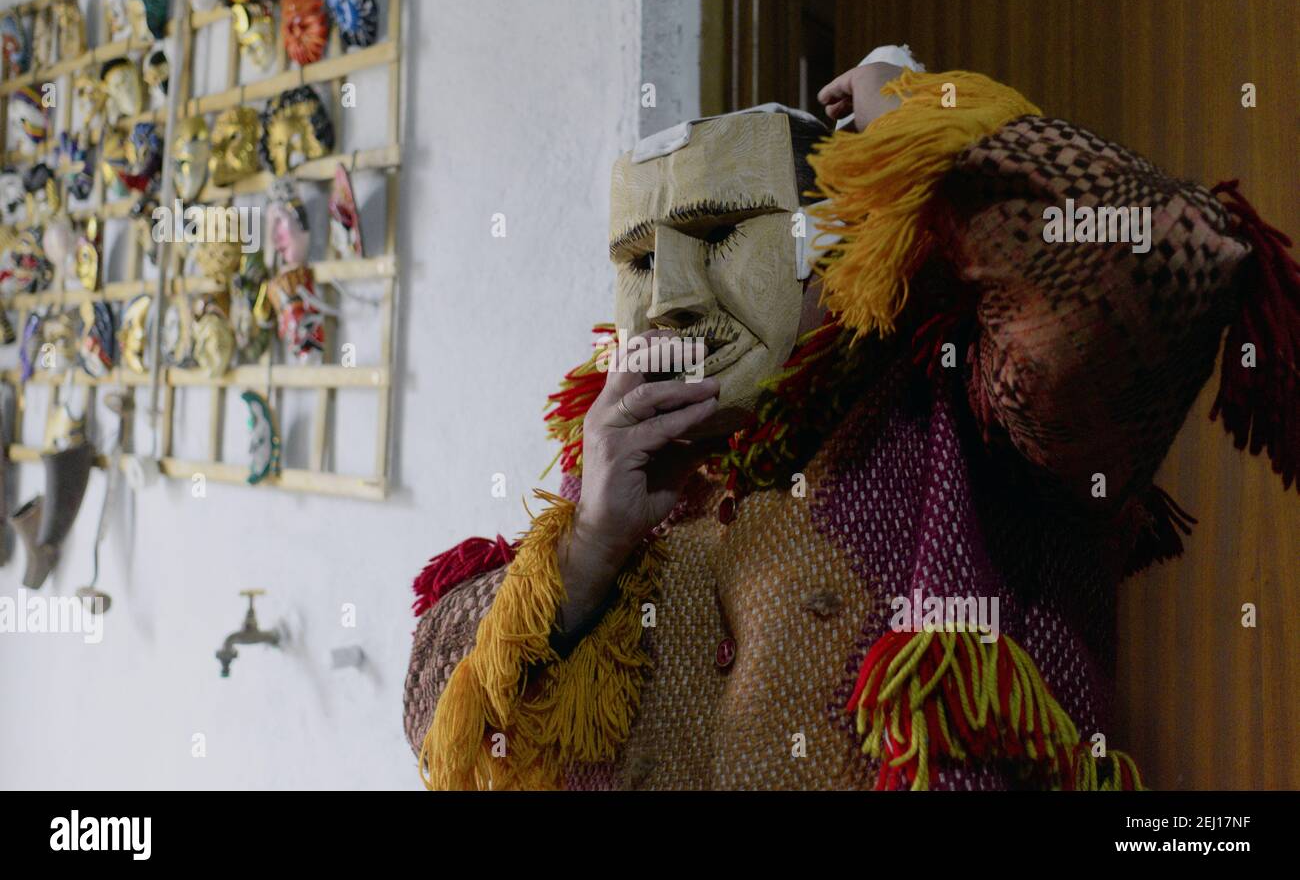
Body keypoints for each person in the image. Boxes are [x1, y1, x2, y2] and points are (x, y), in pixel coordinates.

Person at [404, 49, 1298, 791]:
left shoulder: (979, 412)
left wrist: (927, 123)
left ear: (840, 238)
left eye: (721, 236)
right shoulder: (607, 472)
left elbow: (1165, 253)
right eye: (640, 258)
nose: (670, 301)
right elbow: (441, 732)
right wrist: (586, 553)